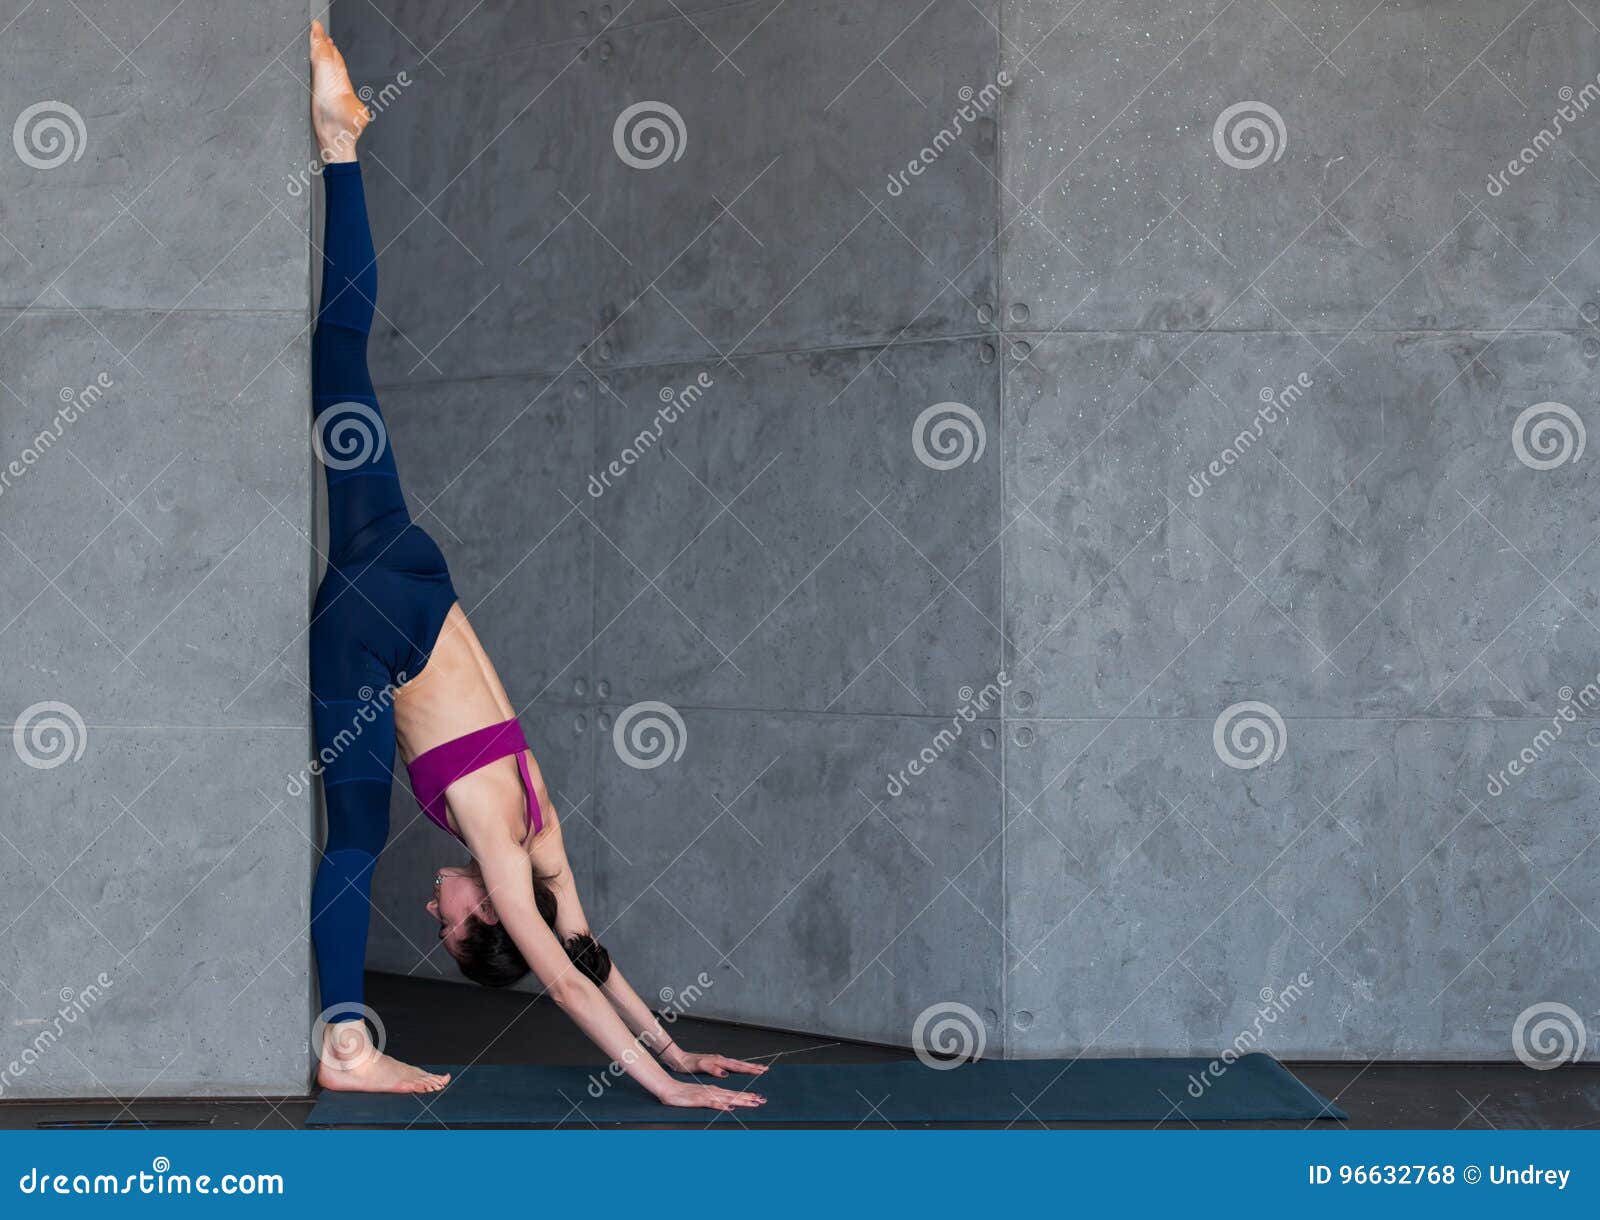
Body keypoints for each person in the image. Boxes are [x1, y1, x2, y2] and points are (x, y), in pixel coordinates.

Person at [306, 21, 765, 1111]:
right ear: (484, 928)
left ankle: (340, 145)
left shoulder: (543, 827)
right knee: (356, 839)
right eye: (451, 924)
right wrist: (667, 1083)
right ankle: (343, 1044)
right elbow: (563, 971)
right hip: (379, 619)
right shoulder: (505, 855)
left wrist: (680, 1040)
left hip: (418, 570)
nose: (437, 911)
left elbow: (589, 943)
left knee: (341, 359)